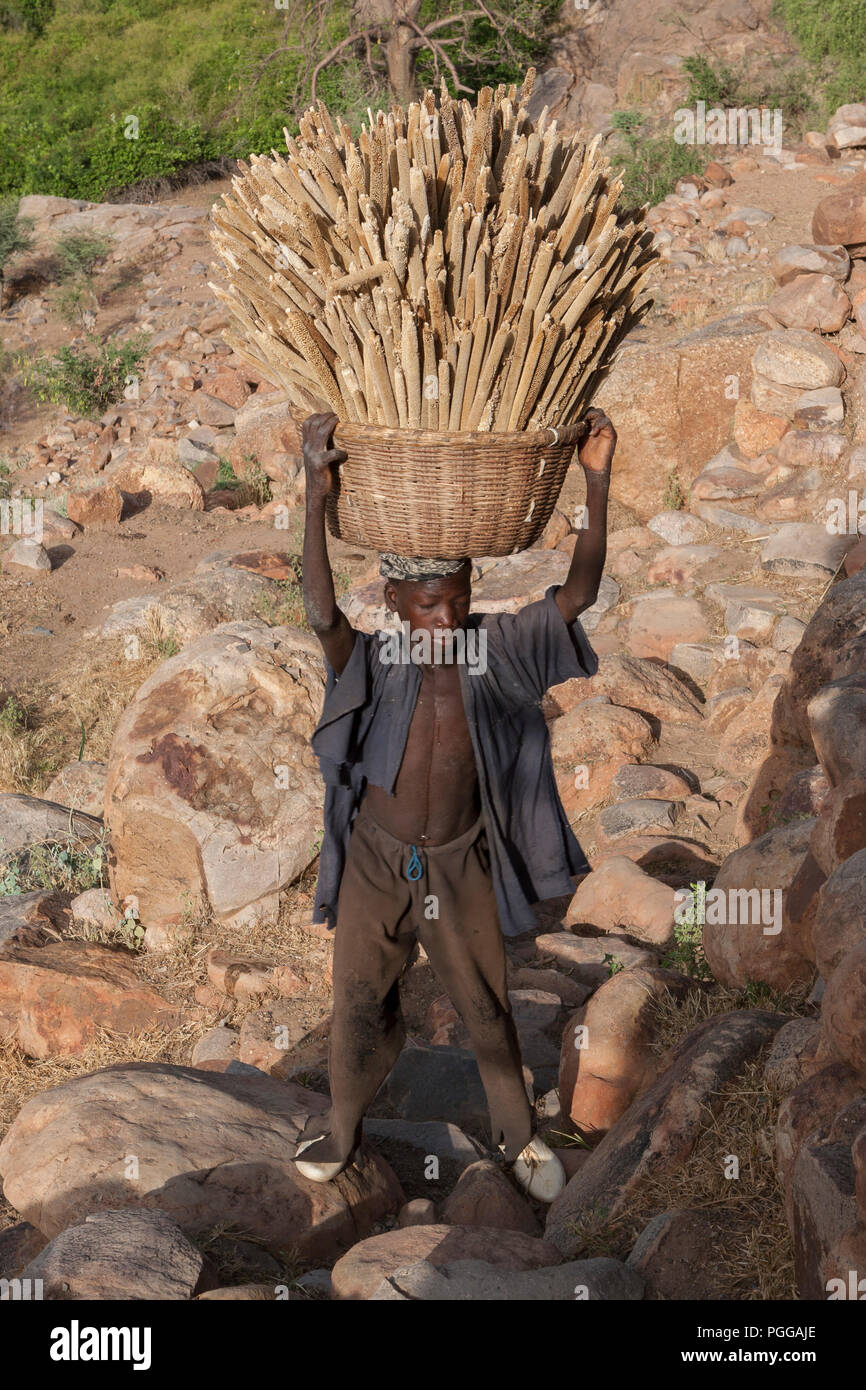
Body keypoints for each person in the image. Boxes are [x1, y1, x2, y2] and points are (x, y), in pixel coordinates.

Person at [294, 407, 616, 1202]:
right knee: (359, 998)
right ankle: (344, 1124)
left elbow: (576, 593)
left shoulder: (497, 648)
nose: (442, 620)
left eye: (456, 597)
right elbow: (320, 613)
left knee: (484, 1003)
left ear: (472, 589)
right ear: (395, 596)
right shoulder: (373, 657)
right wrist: (313, 492)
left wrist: (597, 480)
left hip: (458, 859)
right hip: (377, 858)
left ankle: (518, 1133)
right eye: (425, 602)